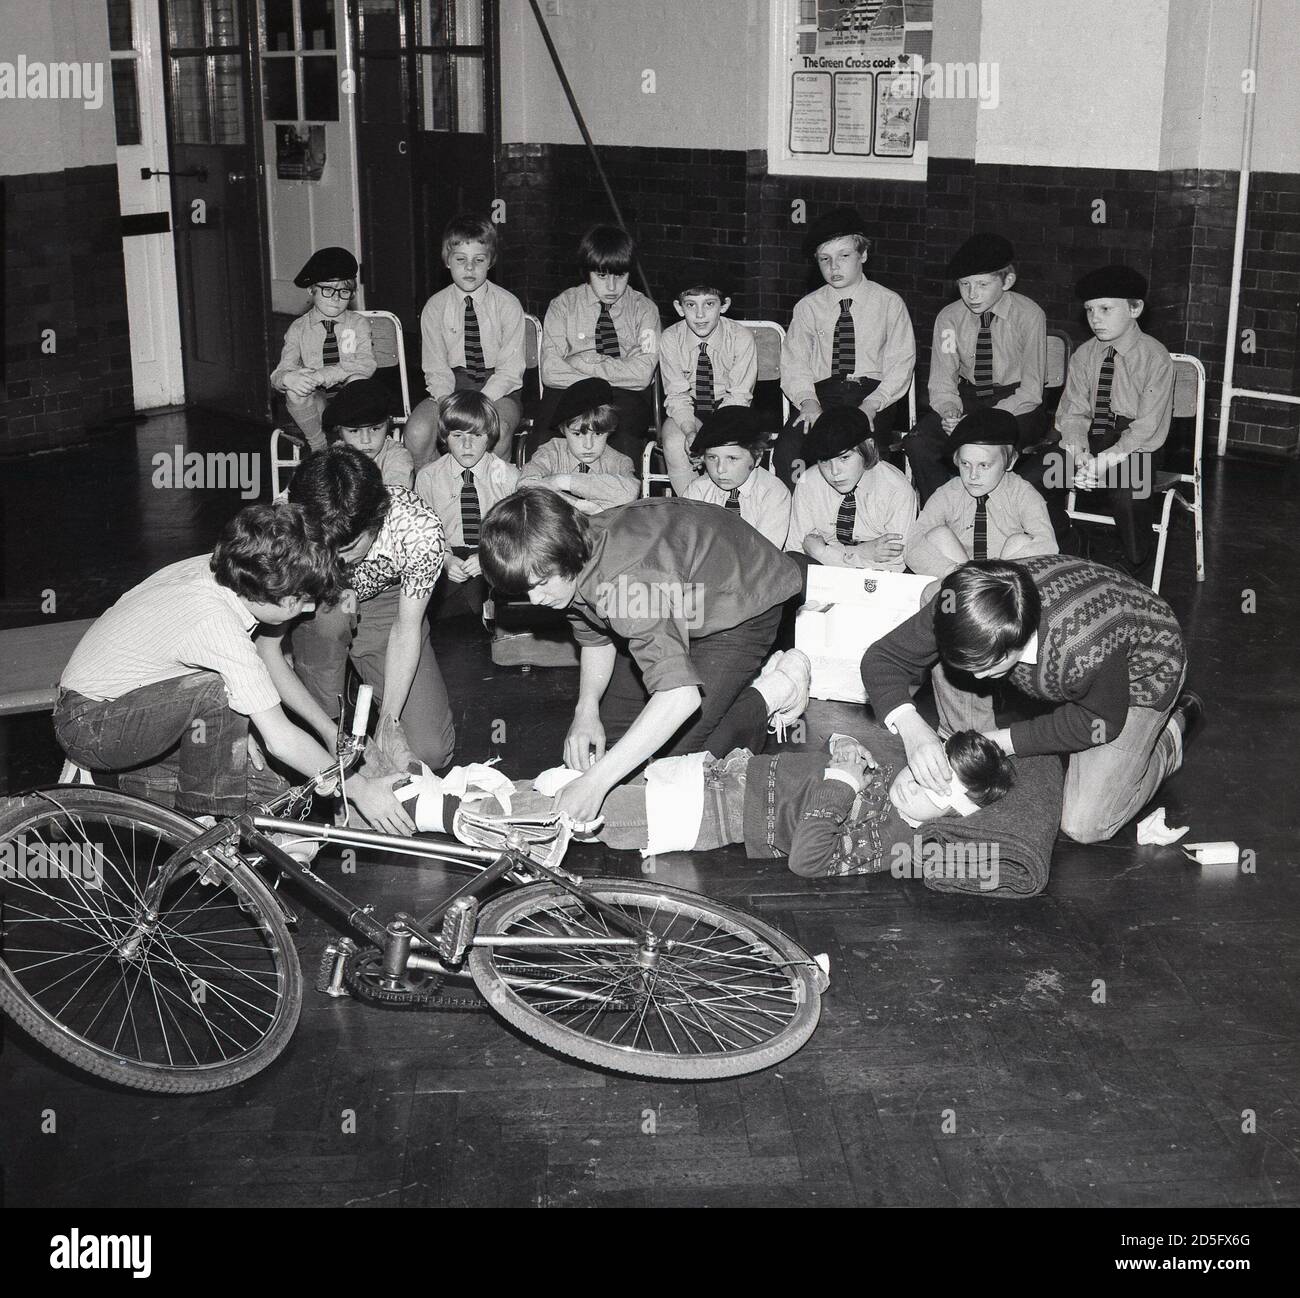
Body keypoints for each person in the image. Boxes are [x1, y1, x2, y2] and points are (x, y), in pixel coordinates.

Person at [54, 501, 412, 831]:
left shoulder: (227, 569)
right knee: (222, 693)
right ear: (281, 597)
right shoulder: (216, 622)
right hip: (91, 722)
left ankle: (96, 787)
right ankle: (205, 829)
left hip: (134, 706)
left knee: (272, 793)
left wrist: (320, 737)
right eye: (303, 602)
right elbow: (281, 738)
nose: (307, 610)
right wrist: (360, 790)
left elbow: (266, 670)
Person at [478, 488, 806, 824]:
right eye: (526, 588)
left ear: (567, 554)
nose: (535, 600)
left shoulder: (625, 583)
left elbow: (680, 697)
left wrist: (594, 784)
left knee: (675, 767)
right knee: (616, 746)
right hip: (679, 598)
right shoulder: (568, 559)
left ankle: (777, 686)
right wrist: (585, 710)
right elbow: (596, 637)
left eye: (542, 583)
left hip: (741, 601)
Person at [861, 555, 1201, 844]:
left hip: (1142, 674)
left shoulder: (1085, 648)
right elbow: (881, 659)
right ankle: (964, 734)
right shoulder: (959, 601)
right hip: (1075, 658)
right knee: (931, 592)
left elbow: (1099, 723)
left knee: (1086, 824)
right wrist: (912, 727)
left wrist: (1005, 742)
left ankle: (1171, 733)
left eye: (987, 666)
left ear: (1019, 641)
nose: (975, 678)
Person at [424, 728, 1013, 880]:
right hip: (720, 772)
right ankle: (484, 794)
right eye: (926, 766)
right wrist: (848, 757)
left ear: (955, 813)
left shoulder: (895, 842)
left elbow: (808, 861)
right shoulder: (892, 774)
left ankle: (450, 812)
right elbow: (843, 742)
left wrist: (840, 783)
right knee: (584, 794)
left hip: (709, 816)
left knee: (588, 820)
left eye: (938, 790)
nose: (916, 782)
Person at [286, 446, 456, 774]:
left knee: (428, 751)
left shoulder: (419, 531)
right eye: (327, 548)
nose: (338, 559)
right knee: (322, 753)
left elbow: (406, 628)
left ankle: (361, 677)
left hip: (385, 603)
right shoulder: (286, 519)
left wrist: (388, 725)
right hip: (316, 604)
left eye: (348, 547)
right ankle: (332, 698)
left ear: (376, 520)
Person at [1040, 265, 1175, 582]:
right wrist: (1080, 454)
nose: (1095, 318)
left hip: (1138, 448)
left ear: (1135, 308)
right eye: (1089, 310)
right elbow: (1072, 412)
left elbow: (1147, 427)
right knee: (1040, 475)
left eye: (1105, 308)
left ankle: (1135, 562)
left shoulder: (1156, 357)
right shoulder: (1084, 355)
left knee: (1129, 487)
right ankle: (1069, 545)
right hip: (1091, 442)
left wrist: (1103, 463)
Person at [904, 233, 1048, 505]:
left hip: (1017, 404)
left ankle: (992, 517)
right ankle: (945, 511)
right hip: (968, 400)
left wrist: (982, 422)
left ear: (1007, 281)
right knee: (918, 442)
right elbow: (943, 381)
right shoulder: (949, 318)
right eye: (964, 284)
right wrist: (950, 411)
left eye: (982, 284)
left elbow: (1031, 391)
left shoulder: (1029, 315)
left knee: (988, 449)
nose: (972, 294)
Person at [775, 206, 915, 484]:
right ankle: (803, 518)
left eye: (844, 256)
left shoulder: (889, 304)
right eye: (825, 259)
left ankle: (867, 522)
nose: (834, 266)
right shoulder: (808, 307)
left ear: (863, 254)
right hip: (822, 394)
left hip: (871, 394)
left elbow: (902, 364)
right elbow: (794, 364)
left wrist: (873, 404)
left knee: (865, 452)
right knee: (788, 451)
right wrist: (808, 402)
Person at [402, 213, 526, 471]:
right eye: (461, 260)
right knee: (417, 431)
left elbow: (510, 371)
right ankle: (435, 493)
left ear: (490, 261)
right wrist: (451, 405)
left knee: (497, 429)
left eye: (478, 260)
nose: (469, 268)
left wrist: (480, 404)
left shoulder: (508, 304)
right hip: (451, 387)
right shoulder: (435, 307)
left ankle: (494, 500)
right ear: (447, 261)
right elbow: (436, 369)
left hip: (498, 389)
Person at [539, 224, 661, 458]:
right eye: (602, 276)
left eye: (620, 275)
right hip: (569, 389)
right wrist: (617, 370)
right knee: (545, 438)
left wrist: (583, 361)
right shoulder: (563, 305)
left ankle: (621, 493)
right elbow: (551, 371)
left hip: (625, 395)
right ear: (587, 272)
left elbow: (642, 374)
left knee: (623, 441)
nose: (612, 287)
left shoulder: (645, 309)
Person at [904, 407, 1057, 580]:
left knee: (1020, 541)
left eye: (984, 465)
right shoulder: (949, 493)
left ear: (1010, 462)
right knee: (938, 535)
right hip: (960, 575)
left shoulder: (1023, 493)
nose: (973, 475)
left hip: (1003, 580)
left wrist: (993, 577)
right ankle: (968, 587)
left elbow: (1047, 544)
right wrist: (952, 571)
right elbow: (913, 543)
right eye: (965, 464)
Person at [415, 391, 519, 621]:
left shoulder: (509, 476)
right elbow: (423, 535)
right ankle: (477, 611)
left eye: (477, 435)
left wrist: (487, 559)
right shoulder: (428, 477)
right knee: (433, 598)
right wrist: (445, 560)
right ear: (444, 436)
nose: (467, 445)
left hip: (493, 553)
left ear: (490, 436)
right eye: (458, 435)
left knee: (494, 588)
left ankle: (479, 610)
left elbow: (518, 533)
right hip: (449, 556)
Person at [658, 262, 757, 491]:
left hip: (731, 410)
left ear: (724, 306)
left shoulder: (741, 339)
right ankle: (690, 507)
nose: (700, 315)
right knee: (674, 441)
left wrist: (710, 439)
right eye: (691, 305)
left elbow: (739, 397)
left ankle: (725, 507)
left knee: (727, 447)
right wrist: (691, 432)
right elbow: (677, 397)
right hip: (690, 412)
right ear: (679, 307)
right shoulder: (671, 339)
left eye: (709, 304)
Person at [270, 247, 375, 453]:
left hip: (351, 400)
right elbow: (280, 372)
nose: (336, 298)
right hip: (317, 404)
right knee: (295, 388)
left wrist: (322, 375)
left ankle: (350, 447)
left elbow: (366, 363)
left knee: (357, 380)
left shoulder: (358, 324)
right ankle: (319, 447)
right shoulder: (298, 328)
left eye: (344, 291)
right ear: (311, 290)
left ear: (352, 293)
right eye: (328, 290)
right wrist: (287, 379)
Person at [785, 407, 916, 572]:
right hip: (823, 577)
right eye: (825, 461)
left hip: (875, 583)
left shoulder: (896, 489)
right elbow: (795, 550)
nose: (834, 472)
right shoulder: (808, 482)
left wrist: (824, 552)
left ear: (868, 447)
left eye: (844, 458)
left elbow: (894, 566)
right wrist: (861, 551)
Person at [518, 377, 638, 513]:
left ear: (609, 431)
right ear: (563, 430)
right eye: (577, 434)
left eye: (598, 434)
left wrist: (562, 481)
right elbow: (525, 485)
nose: (588, 445)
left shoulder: (619, 461)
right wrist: (581, 506)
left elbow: (631, 491)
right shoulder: (551, 451)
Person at [680, 407, 791, 549]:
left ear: (757, 457)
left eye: (732, 458)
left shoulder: (773, 494)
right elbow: (684, 543)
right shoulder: (698, 490)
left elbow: (766, 555)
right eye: (712, 457)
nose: (720, 469)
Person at [321, 376, 413, 489]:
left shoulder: (397, 459)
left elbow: (395, 499)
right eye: (354, 431)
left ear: (388, 424)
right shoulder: (332, 458)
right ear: (339, 431)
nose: (366, 440)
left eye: (375, 429)